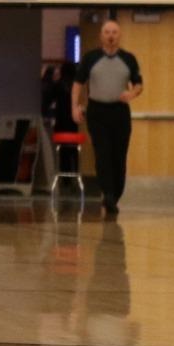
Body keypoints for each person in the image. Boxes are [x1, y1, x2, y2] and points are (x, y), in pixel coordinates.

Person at [72, 20, 143, 217]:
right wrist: (74, 106)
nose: (111, 36)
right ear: (101, 35)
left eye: (114, 32)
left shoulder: (128, 59)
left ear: (119, 36)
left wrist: (132, 94)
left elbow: (138, 84)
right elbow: (78, 84)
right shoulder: (90, 58)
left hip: (119, 112)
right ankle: (108, 194)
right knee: (102, 153)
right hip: (97, 111)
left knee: (118, 156)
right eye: (107, 32)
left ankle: (115, 195)